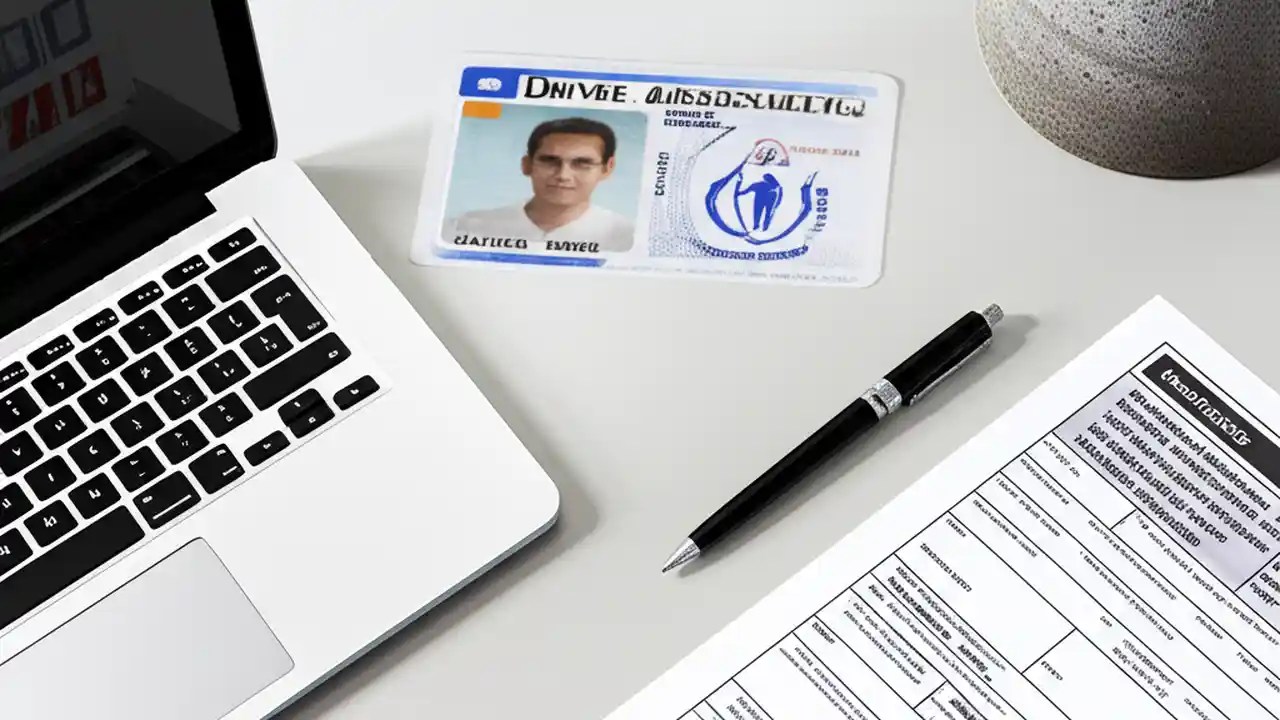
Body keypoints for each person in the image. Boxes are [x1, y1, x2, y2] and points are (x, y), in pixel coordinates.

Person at [448, 117, 635, 252]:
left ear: (607, 168)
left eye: (582, 164)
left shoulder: (625, 238)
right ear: (527, 165)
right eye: (549, 161)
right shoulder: (468, 227)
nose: (563, 175)